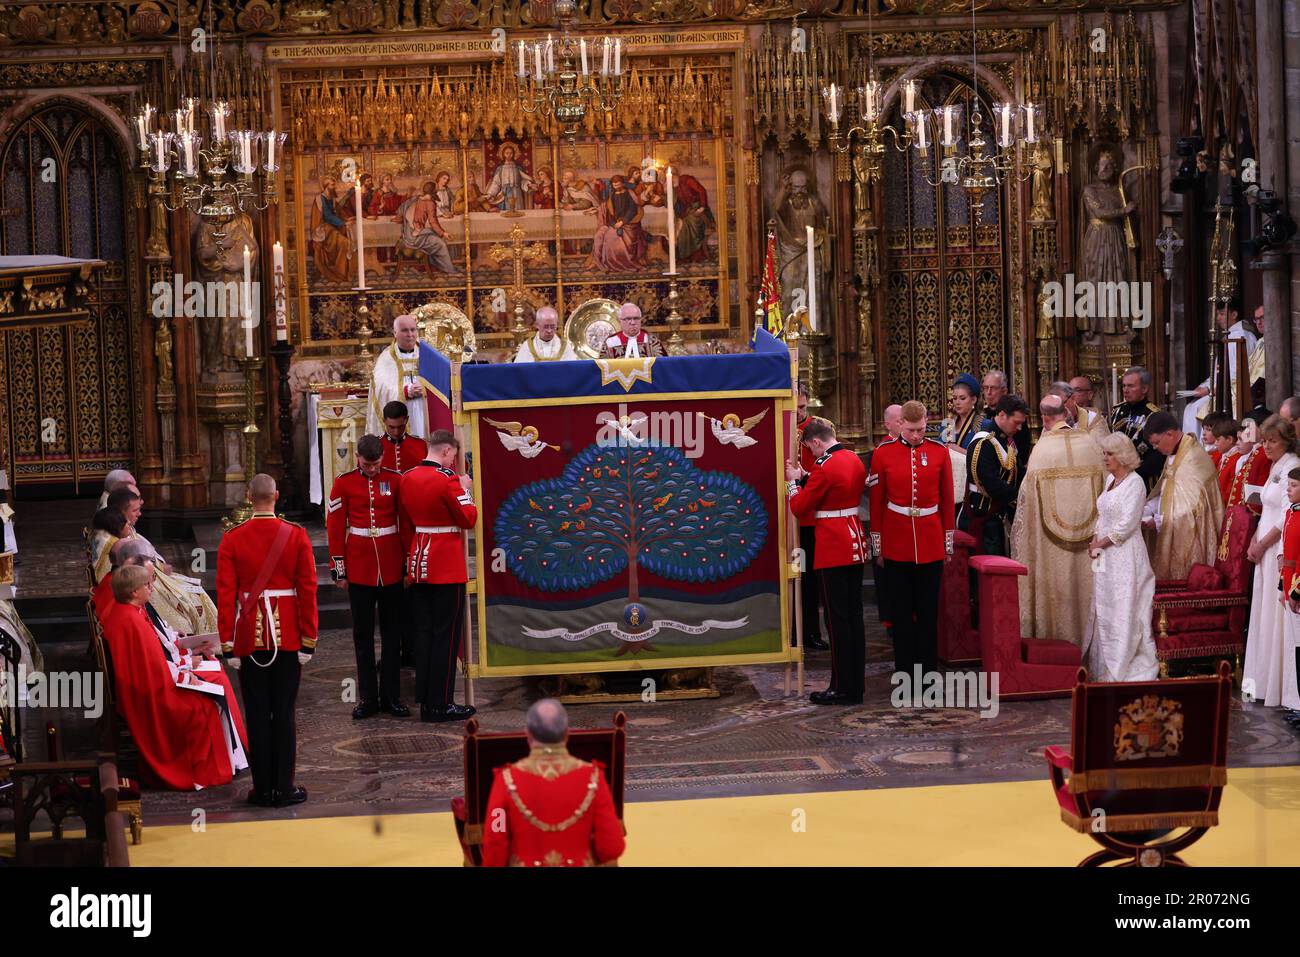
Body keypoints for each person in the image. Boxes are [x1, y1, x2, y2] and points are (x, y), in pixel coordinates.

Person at [216, 474, 318, 808]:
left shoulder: (231, 539)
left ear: (248, 496)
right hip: (288, 634)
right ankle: (284, 788)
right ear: (276, 495)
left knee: (257, 714)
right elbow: (307, 590)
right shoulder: (296, 535)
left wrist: (227, 642)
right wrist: (309, 639)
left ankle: (262, 790)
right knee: (284, 713)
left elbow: (226, 595)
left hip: (247, 637)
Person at [102, 564, 249, 790]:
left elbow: (154, 663)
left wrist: (184, 669)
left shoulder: (132, 613)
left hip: (156, 684)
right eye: (147, 584)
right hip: (155, 697)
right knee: (206, 703)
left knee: (213, 681)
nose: (151, 588)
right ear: (134, 592)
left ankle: (236, 753)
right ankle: (210, 767)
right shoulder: (131, 622)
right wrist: (187, 674)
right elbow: (152, 669)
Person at [868, 400, 955, 679]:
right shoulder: (883, 454)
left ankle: (928, 674)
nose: (917, 435)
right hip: (896, 541)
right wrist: (878, 546)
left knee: (929, 614)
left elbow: (947, 501)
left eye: (921, 430)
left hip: (930, 542)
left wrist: (947, 543)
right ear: (900, 425)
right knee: (902, 615)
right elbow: (877, 503)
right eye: (911, 430)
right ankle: (905, 673)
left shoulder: (939, 453)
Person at [481, 699, 625, 867]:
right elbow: (611, 847)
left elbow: (495, 842)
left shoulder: (505, 780)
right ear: (567, 734)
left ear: (528, 735)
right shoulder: (594, 777)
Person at [1011, 396, 1105, 646]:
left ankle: (1054, 645)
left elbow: (1026, 505)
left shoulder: (1041, 451)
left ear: (1044, 418)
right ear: (1066, 413)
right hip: (1091, 545)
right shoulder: (1091, 445)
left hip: (1049, 547)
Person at [398, 430, 477, 723]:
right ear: (446, 452)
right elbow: (469, 518)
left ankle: (426, 699)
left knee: (424, 635)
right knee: (446, 636)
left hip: (419, 559)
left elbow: (405, 521)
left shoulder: (407, 477)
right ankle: (440, 703)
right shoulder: (448, 480)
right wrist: (466, 488)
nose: (454, 462)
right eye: (454, 457)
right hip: (445, 564)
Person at [327, 434, 408, 720]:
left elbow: (406, 522)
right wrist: (340, 568)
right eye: (367, 463)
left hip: (390, 563)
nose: (372, 469)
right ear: (358, 457)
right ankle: (367, 699)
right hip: (359, 566)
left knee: (392, 635)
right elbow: (335, 528)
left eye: (376, 464)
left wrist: (408, 561)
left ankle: (391, 697)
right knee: (362, 636)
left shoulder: (396, 480)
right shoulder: (344, 482)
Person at [787, 417, 867, 703]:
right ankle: (854, 684)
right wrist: (805, 475)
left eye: (812, 448)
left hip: (833, 547)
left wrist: (793, 484)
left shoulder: (824, 466)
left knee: (837, 621)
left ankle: (842, 687)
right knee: (854, 619)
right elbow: (835, 486)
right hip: (855, 540)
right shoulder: (853, 459)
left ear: (817, 442)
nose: (813, 452)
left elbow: (799, 507)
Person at [1083, 433, 1158, 681]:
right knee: (1105, 603)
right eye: (1104, 453)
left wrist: (1101, 544)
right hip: (1105, 554)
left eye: (1110, 454)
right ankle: (1103, 666)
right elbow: (1102, 514)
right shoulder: (1110, 481)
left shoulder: (1135, 483)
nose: (1105, 458)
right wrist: (1094, 539)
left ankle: (1121, 664)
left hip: (1124, 553)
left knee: (1123, 605)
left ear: (1123, 456)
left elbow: (1126, 525)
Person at [1241, 417, 1300, 707]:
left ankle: (1279, 690)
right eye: (1264, 440)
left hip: (1277, 546)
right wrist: (1254, 540)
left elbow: (1286, 513)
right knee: (1261, 616)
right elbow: (1266, 508)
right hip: (1264, 545)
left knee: (1275, 620)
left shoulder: (1291, 465)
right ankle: (1258, 685)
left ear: (1286, 441)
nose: (1266, 446)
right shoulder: (1276, 466)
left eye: (1272, 441)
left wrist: (1263, 544)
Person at [1140, 411, 1225, 580]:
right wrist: (1147, 508)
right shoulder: (1176, 452)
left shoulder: (1192, 458)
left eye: (1156, 443)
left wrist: (1158, 520)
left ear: (1170, 434)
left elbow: (1193, 509)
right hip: (1170, 524)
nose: (1155, 448)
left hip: (1191, 538)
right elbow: (1167, 490)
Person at [961, 395, 1028, 556]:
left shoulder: (1005, 441)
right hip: (982, 518)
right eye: (1016, 422)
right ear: (1003, 415)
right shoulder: (983, 443)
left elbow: (1019, 474)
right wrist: (1023, 495)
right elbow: (990, 484)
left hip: (997, 517)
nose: (1019, 428)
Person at [1181, 298, 1258, 436]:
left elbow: (1235, 375)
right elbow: (1219, 371)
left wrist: (1210, 389)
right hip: (1221, 388)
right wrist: (1204, 386)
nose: (1218, 318)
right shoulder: (1231, 335)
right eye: (1218, 314)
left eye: (1222, 314)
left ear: (1234, 315)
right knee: (1191, 406)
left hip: (1234, 392)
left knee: (1195, 409)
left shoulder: (1240, 337)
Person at [793, 384, 830, 652]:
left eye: (803, 408)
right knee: (792, 575)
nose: (798, 414)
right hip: (788, 518)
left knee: (810, 579)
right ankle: (791, 631)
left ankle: (811, 632)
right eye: (794, 408)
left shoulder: (817, 430)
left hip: (809, 519)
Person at [366, 314, 428, 438]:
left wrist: (426, 387)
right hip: (401, 411)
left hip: (425, 409)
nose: (410, 334)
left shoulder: (427, 353)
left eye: (413, 329)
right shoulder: (387, 357)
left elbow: (439, 379)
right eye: (405, 330)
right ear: (395, 333)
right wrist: (406, 391)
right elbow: (380, 387)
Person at [1108, 366, 1165, 490]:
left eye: (1131, 386)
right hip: (1117, 478)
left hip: (1143, 480)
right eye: (1124, 386)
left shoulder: (1155, 415)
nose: (1126, 390)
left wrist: (1131, 476)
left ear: (1144, 388)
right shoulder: (1117, 411)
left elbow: (1158, 455)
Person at [590, 175, 647, 270]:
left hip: (629, 224)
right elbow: (610, 212)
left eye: (618, 185)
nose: (616, 187)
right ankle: (603, 263)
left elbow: (632, 211)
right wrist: (612, 222)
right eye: (614, 185)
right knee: (603, 236)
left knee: (613, 239)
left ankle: (620, 263)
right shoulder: (612, 195)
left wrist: (622, 222)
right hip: (615, 223)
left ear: (622, 184)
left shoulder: (630, 194)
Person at [1279, 467, 1300, 713]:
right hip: (1289, 583)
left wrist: (1295, 592)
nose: (1288, 489)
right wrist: (1281, 585)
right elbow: (1287, 554)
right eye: (1288, 485)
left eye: (1294, 485)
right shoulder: (1290, 513)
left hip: (1297, 589)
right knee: (1295, 649)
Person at [979, 370, 1031, 465]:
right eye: (986, 388)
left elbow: (1021, 453)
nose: (988, 392)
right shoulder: (980, 416)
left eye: (993, 388)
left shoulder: (1015, 416)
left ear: (1004, 391)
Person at [599, 302, 664, 359]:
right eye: (628, 319)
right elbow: (603, 369)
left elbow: (661, 367)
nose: (633, 322)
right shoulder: (610, 342)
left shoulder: (652, 341)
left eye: (636, 318)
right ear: (620, 321)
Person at [514, 306, 578, 362]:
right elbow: (519, 371)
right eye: (546, 327)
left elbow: (572, 370)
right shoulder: (527, 346)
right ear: (537, 325)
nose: (549, 331)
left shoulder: (564, 346)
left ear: (557, 324)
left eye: (552, 327)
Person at [379, 400, 426, 474]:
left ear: (406, 420)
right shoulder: (374, 446)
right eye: (391, 427)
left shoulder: (420, 444)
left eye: (400, 427)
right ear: (384, 421)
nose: (396, 432)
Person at [946, 373, 982, 452]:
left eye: (962, 398)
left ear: (973, 400)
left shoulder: (983, 425)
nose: (957, 402)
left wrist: (960, 451)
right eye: (954, 398)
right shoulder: (948, 423)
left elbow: (984, 458)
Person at [1212, 417, 1243, 504]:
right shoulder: (1224, 456)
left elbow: (1230, 490)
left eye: (1218, 440)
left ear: (1229, 439)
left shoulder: (1237, 459)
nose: (1215, 443)